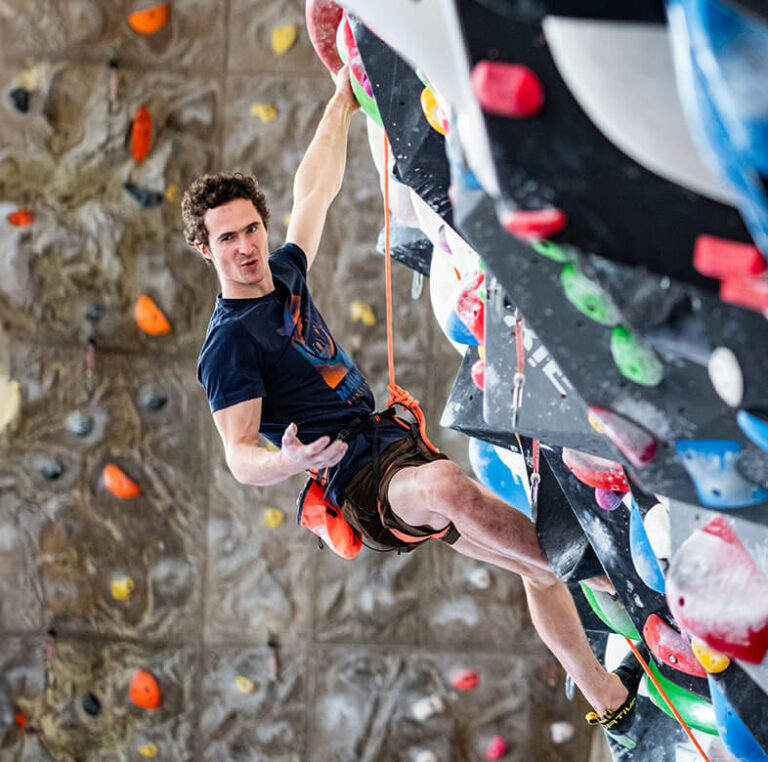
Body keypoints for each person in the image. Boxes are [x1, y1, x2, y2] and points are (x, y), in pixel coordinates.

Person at [182, 66, 644, 734]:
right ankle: (602, 579)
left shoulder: (282, 271)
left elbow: (315, 189)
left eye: (250, 228)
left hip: (388, 442)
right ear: (205, 249)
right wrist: (282, 461)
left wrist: (344, 98)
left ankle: (609, 699)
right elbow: (237, 457)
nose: (246, 246)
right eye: (227, 238)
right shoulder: (227, 347)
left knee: (530, 567)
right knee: (454, 489)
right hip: (358, 482)